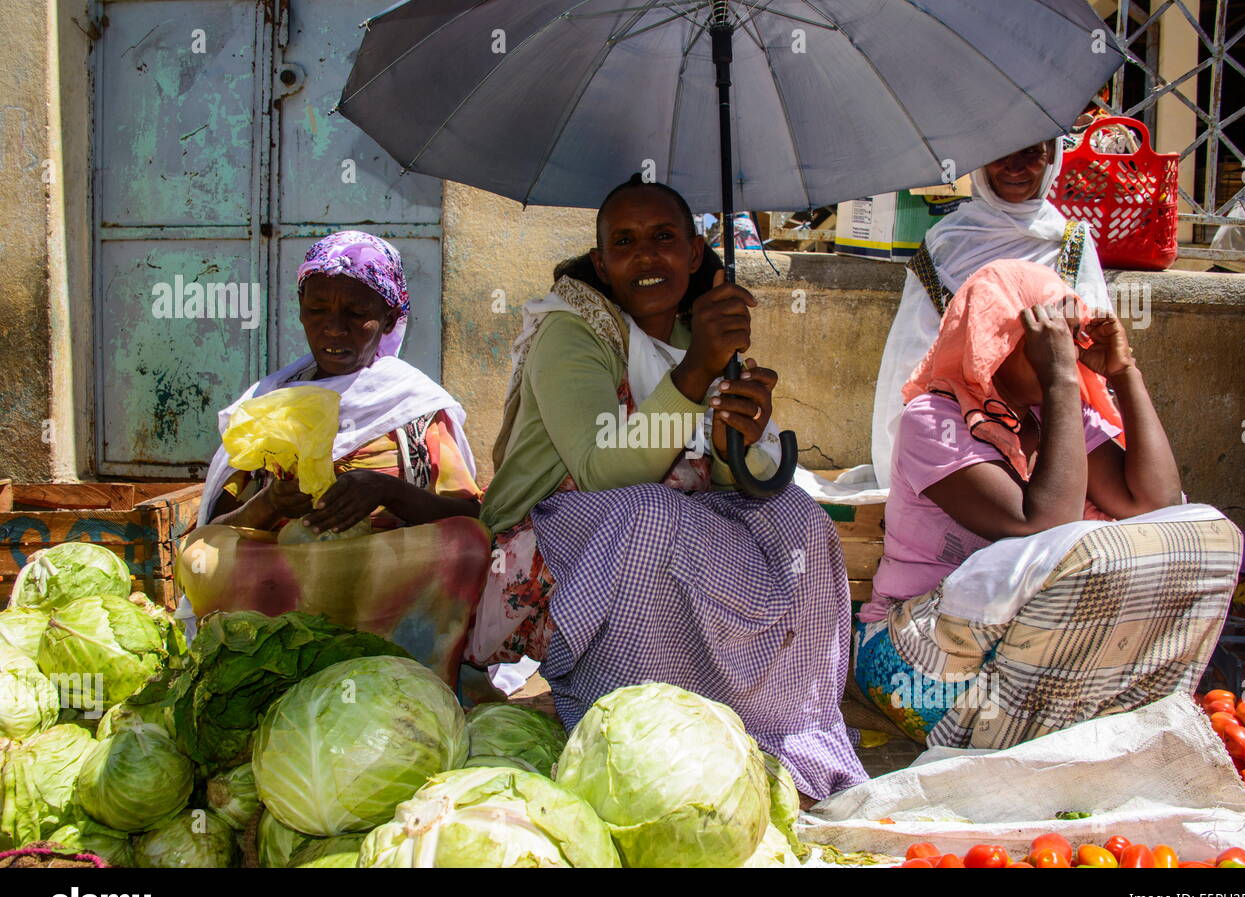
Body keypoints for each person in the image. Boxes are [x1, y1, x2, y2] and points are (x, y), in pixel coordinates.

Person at [468, 174, 866, 799]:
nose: (646, 256)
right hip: (550, 539)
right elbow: (602, 474)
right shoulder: (572, 331)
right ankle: (642, 741)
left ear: (694, 251)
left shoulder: (698, 331)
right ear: (602, 261)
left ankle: (786, 734)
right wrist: (697, 370)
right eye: (624, 242)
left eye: (664, 238)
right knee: (652, 519)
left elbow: (730, 480)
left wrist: (742, 430)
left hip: (669, 520)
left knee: (797, 520)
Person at [855, 259, 1240, 750]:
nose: (1067, 352)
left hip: (1019, 653)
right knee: (1081, 549)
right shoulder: (933, 419)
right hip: (916, 655)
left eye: (1068, 339)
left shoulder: (1057, 418)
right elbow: (1044, 526)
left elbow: (1154, 503)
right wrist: (1059, 377)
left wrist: (1123, 372)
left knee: (1197, 533)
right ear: (992, 341)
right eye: (1048, 338)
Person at [197, 231, 481, 531]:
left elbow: (468, 517)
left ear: (389, 318)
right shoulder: (267, 404)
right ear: (300, 307)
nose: (333, 328)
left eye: (356, 313)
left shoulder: (415, 406)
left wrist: (388, 490)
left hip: (395, 575)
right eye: (317, 310)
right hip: (279, 575)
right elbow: (213, 533)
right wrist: (269, 503)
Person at [871, 136, 1110, 484]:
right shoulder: (945, 242)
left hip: (1052, 416)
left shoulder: (1071, 240)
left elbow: (1093, 349)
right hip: (961, 419)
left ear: (1051, 159)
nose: (1014, 168)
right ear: (980, 161)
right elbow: (913, 352)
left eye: (1031, 153)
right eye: (999, 153)